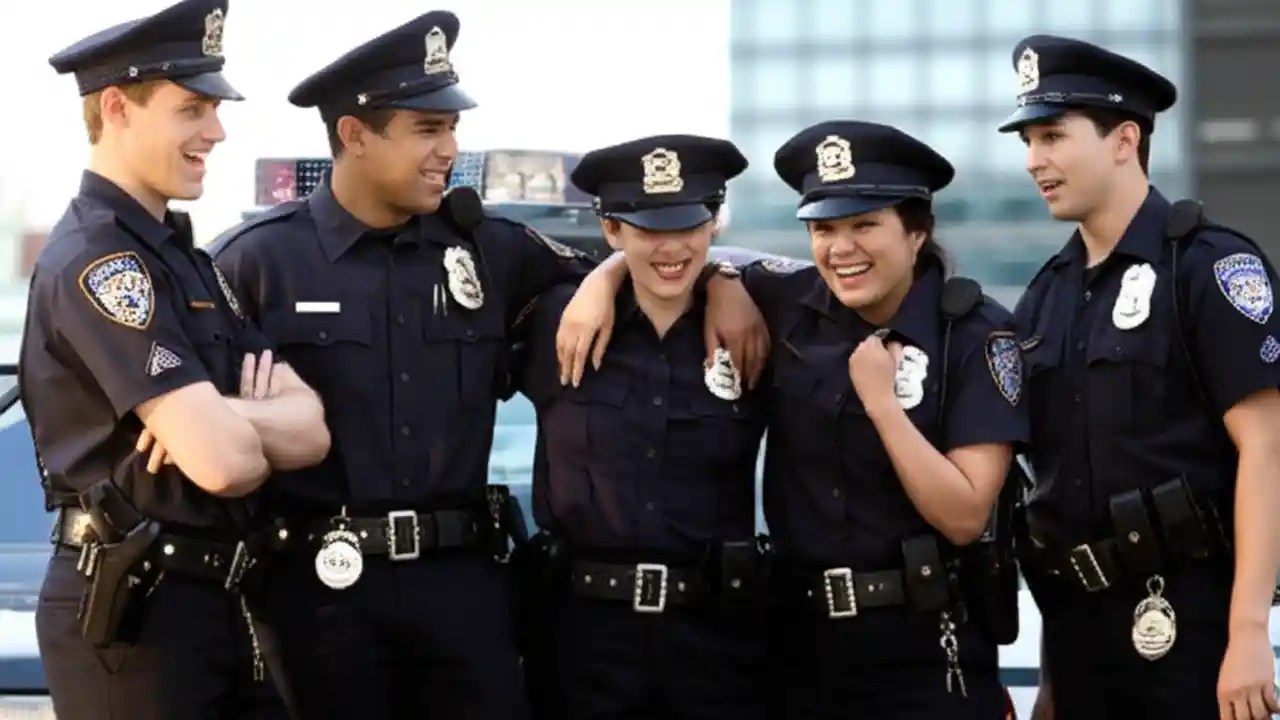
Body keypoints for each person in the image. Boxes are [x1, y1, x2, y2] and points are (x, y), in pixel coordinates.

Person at [208, 11, 767, 719]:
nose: (450, 149)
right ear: (354, 135)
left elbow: (650, 261)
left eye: (452, 129)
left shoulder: (493, 251)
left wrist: (719, 281)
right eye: (428, 129)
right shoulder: (257, 262)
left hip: (462, 593)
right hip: (318, 595)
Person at [23, 1, 330, 718]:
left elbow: (312, 430)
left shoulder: (192, 264)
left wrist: (215, 413)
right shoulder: (101, 263)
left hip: (220, 606)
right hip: (134, 617)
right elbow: (228, 466)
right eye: (192, 109)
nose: (216, 132)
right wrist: (246, 427)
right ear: (117, 108)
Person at [998, 34, 1280, 720]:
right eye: (1029, 140)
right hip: (1080, 633)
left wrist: (1248, 636)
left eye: (1054, 136)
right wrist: (1055, 673)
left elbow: (1267, 450)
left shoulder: (1207, 268)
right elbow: (1049, 493)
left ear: (1124, 140)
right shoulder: (1043, 299)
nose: (1036, 161)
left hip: (1194, 622)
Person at [710, 120, 1030, 718]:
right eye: (824, 228)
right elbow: (691, 257)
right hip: (800, 650)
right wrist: (625, 278)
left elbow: (964, 515)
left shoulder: (976, 334)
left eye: (865, 225)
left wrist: (883, 405)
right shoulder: (789, 303)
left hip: (926, 649)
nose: (841, 248)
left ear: (916, 233)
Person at [514, 135, 769, 720]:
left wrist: (724, 277)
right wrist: (602, 278)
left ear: (715, 223)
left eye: (690, 225)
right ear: (612, 231)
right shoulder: (553, 317)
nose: (672, 248)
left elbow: (828, 272)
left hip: (718, 646)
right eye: (648, 229)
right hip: (580, 644)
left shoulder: (760, 317)